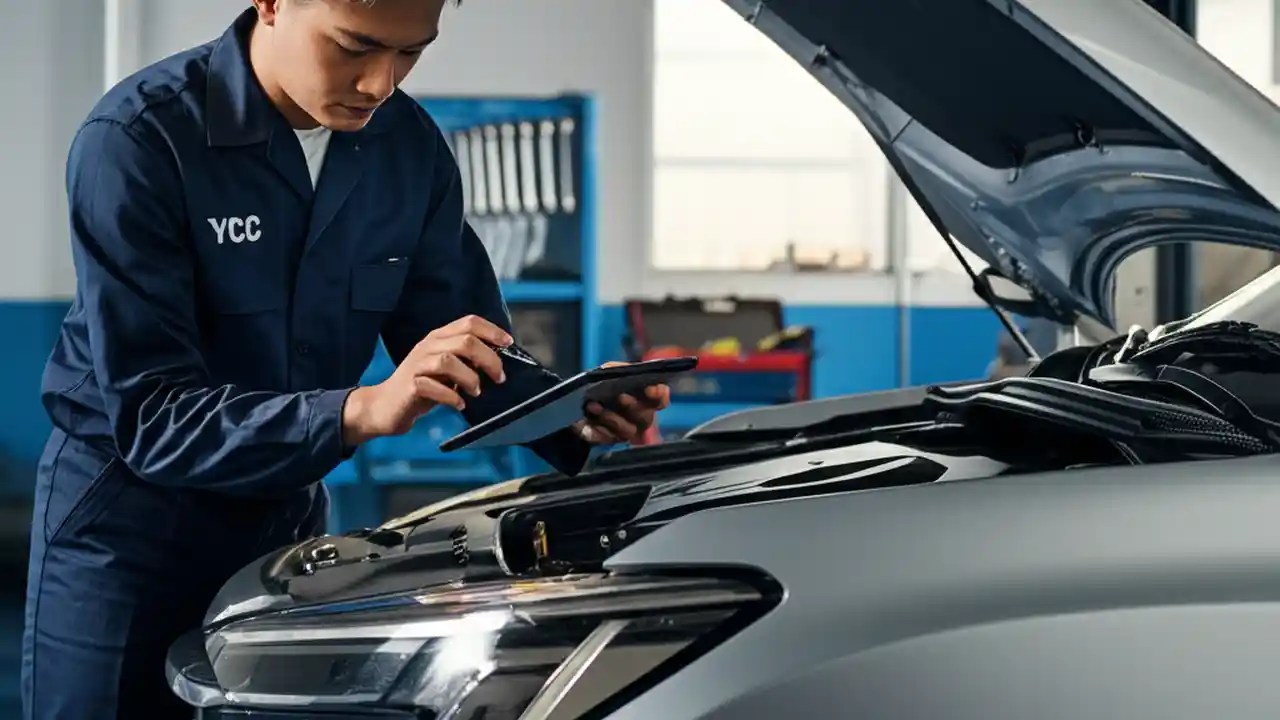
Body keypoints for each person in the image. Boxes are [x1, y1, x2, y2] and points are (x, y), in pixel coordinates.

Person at [20, 1, 670, 717]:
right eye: (354, 47)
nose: (378, 85)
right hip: (127, 533)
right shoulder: (142, 140)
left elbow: (468, 348)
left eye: (410, 54)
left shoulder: (408, 149)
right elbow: (153, 417)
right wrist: (363, 407)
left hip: (285, 524)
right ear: (270, 4)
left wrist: (572, 413)